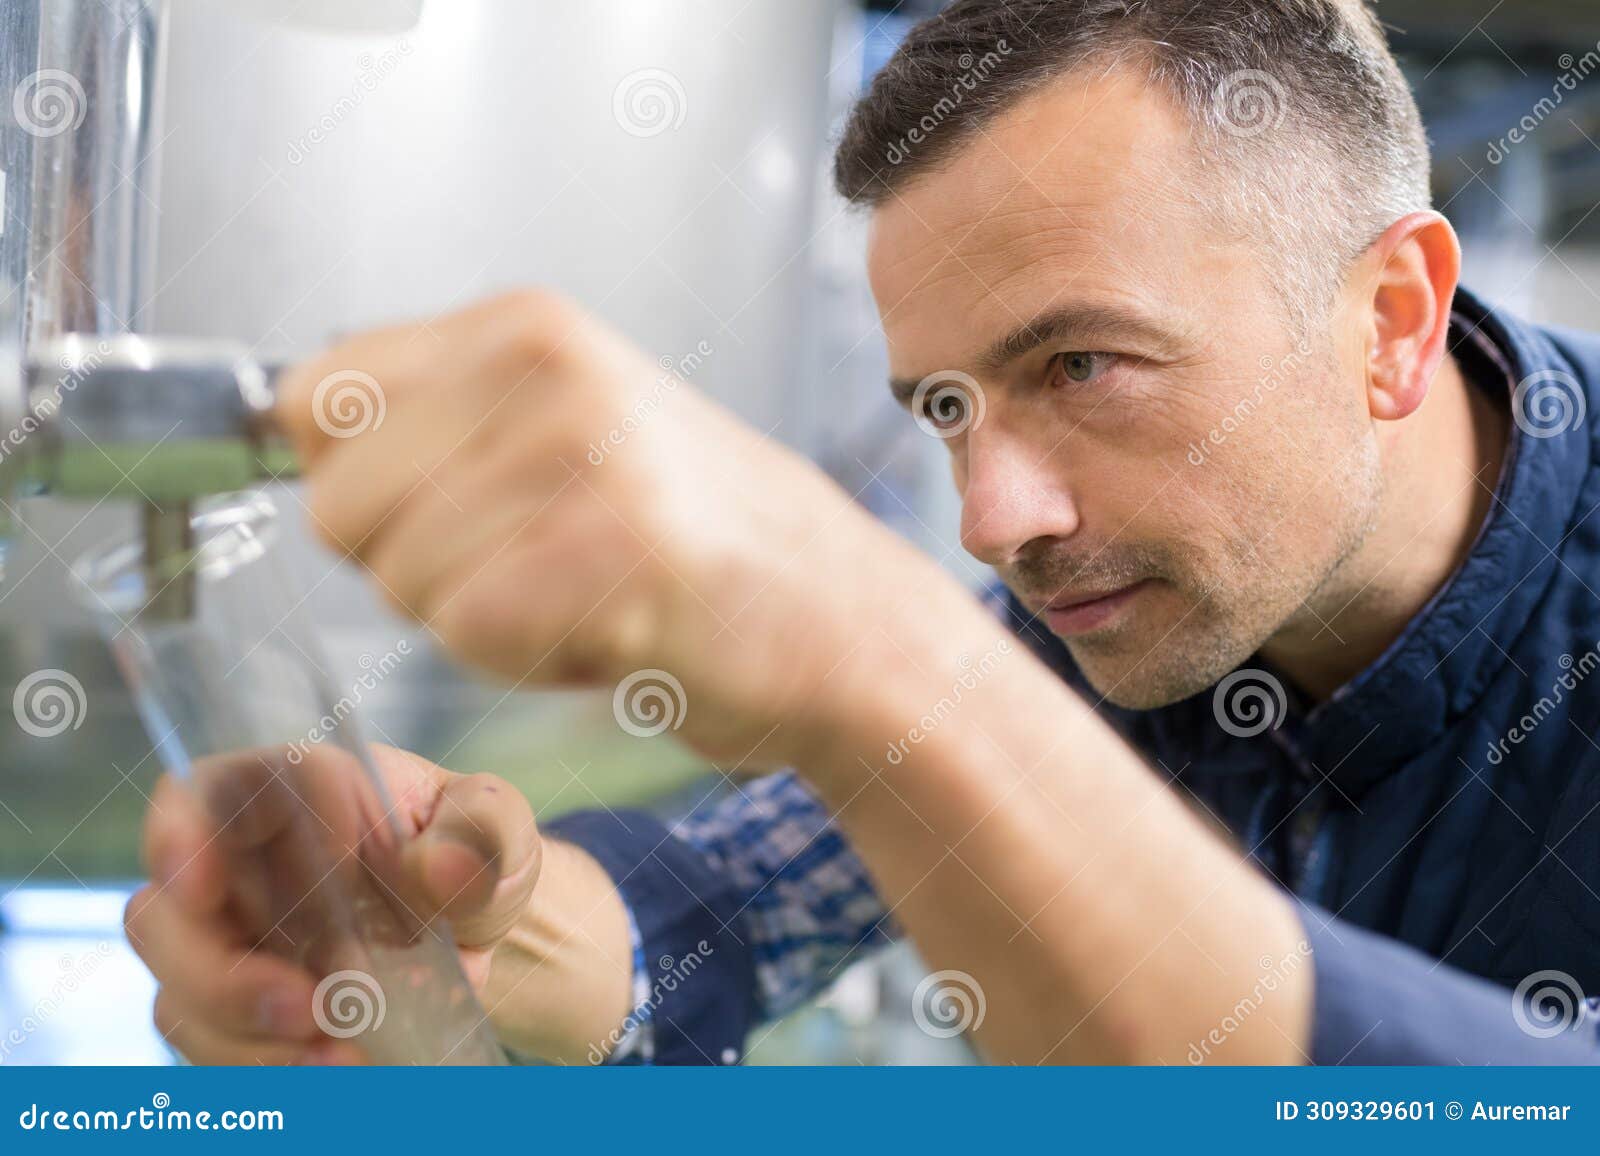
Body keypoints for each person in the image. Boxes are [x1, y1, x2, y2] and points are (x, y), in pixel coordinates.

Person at [127, 0, 1600, 1065]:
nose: (996, 520)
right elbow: (745, 902)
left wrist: (869, 642)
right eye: (947, 408)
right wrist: (456, 918)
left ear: (1390, 320)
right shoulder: (1125, 600)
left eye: (1084, 365)